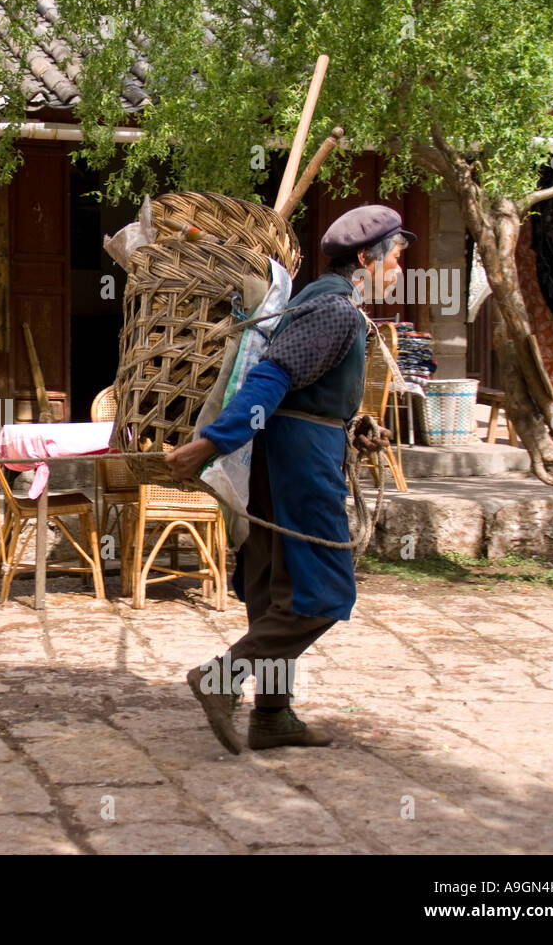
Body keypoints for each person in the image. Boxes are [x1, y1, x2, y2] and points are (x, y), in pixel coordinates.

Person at [165, 204, 408, 753]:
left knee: (274, 585)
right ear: (367, 259)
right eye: (394, 259)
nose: (396, 271)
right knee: (323, 591)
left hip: (291, 451)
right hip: (300, 462)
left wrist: (356, 425)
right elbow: (271, 379)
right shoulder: (334, 310)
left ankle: (273, 715)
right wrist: (213, 442)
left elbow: (305, 390)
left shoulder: (320, 303)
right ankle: (220, 679)